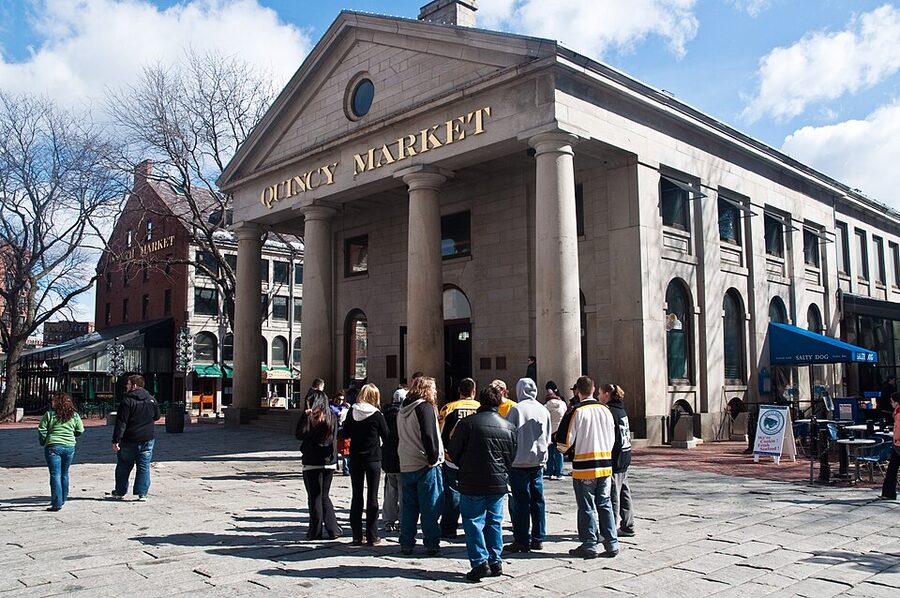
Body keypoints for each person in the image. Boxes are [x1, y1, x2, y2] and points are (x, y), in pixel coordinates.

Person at [448, 384, 517, 582]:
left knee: (473, 521)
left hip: (471, 479)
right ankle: (495, 560)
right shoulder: (509, 427)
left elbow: (453, 450)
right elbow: (511, 456)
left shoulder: (467, 424)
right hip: (497, 480)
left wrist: (463, 464)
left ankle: (479, 562)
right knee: (494, 521)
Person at [555, 375, 619, 559]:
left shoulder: (577, 411)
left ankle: (590, 544)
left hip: (585, 466)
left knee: (587, 506)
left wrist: (563, 449)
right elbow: (614, 437)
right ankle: (611, 542)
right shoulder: (606, 410)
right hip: (605, 465)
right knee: (605, 504)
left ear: (578, 391)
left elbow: (564, 442)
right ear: (593, 389)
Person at [397, 376, 444, 556]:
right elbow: (429, 435)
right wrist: (433, 458)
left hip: (406, 461)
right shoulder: (424, 407)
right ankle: (431, 542)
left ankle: (406, 542)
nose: (435, 391)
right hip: (425, 463)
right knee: (430, 506)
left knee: (408, 506)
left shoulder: (403, 408)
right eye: (432, 388)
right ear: (426, 389)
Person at [503, 378, 551, 553]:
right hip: (538, 460)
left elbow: (509, 433)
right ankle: (538, 537)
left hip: (519, 461)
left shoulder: (516, 409)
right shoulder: (543, 409)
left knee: (521, 501)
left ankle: (522, 539)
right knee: (538, 499)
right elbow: (548, 435)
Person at [342, 383, 389, 546]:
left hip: (355, 457)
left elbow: (345, 432)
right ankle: (372, 534)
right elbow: (387, 434)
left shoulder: (352, 411)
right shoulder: (376, 415)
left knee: (356, 495)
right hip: (373, 458)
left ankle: (356, 535)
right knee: (372, 496)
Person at [295, 390, 342, 540]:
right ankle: (333, 528)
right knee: (324, 495)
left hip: (312, 461)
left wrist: (305, 416)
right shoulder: (331, 416)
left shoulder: (310, 417)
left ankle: (315, 531)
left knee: (314, 496)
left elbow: (299, 434)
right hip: (329, 462)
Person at [438, 378, 480, 539]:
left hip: (452, 458)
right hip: (476, 458)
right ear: (473, 391)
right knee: (476, 494)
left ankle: (449, 528)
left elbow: (440, 433)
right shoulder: (480, 408)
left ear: (459, 391)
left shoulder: (449, 408)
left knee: (452, 493)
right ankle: (475, 526)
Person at [108, 375, 161, 501]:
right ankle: (142, 493)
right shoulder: (151, 399)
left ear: (134, 386)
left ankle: (120, 491)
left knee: (124, 465)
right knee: (144, 465)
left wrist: (116, 440)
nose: (126, 386)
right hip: (147, 438)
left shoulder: (127, 401)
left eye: (128, 383)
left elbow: (121, 422)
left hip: (129, 439)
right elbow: (157, 416)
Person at [598, 383, 634, 537]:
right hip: (624, 456)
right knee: (624, 491)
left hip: (615, 458)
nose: (598, 396)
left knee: (613, 495)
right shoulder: (621, 410)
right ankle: (628, 524)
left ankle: (609, 530)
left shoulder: (610, 412)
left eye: (600, 393)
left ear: (607, 394)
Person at [38, 392, 84, 511]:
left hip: (53, 445)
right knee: (65, 473)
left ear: (57, 403)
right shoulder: (74, 415)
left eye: (53, 400)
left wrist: (43, 441)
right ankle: (63, 498)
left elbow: (42, 430)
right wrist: (72, 435)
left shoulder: (49, 415)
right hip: (69, 446)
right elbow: (80, 430)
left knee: (55, 474)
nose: (51, 402)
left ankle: (56, 502)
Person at [382, 384, 404, 532]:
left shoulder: (385, 415)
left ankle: (389, 520)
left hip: (388, 458)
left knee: (390, 491)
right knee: (403, 491)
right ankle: (403, 519)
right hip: (402, 458)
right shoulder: (405, 415)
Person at [878, 392, 900, 501]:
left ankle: (889, 493)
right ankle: (888, 493)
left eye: (892, 401)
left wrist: (895, 438)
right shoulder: (897, 413)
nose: (891, 404)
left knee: (892, 470)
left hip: (898, 444)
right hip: (897, 444)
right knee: (892, 469)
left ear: (897, 402)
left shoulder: (899, 413)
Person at [544, 381, 567, 480]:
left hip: (551, 431)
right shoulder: (563, 404)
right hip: (560, 431)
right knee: (559, 452)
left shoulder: (547, 405)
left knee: (550, 452)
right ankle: (559, 472)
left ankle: (550, 471)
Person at [331, 391, 351, 475]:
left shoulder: (345, 407)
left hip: (344, 430)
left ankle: (346, 468)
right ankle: (334, 466)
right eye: (339, 399)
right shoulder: (331, 407)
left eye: (342, 399)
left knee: (345, 451)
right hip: (334, 431)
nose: (340, 401)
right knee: (333, 450)